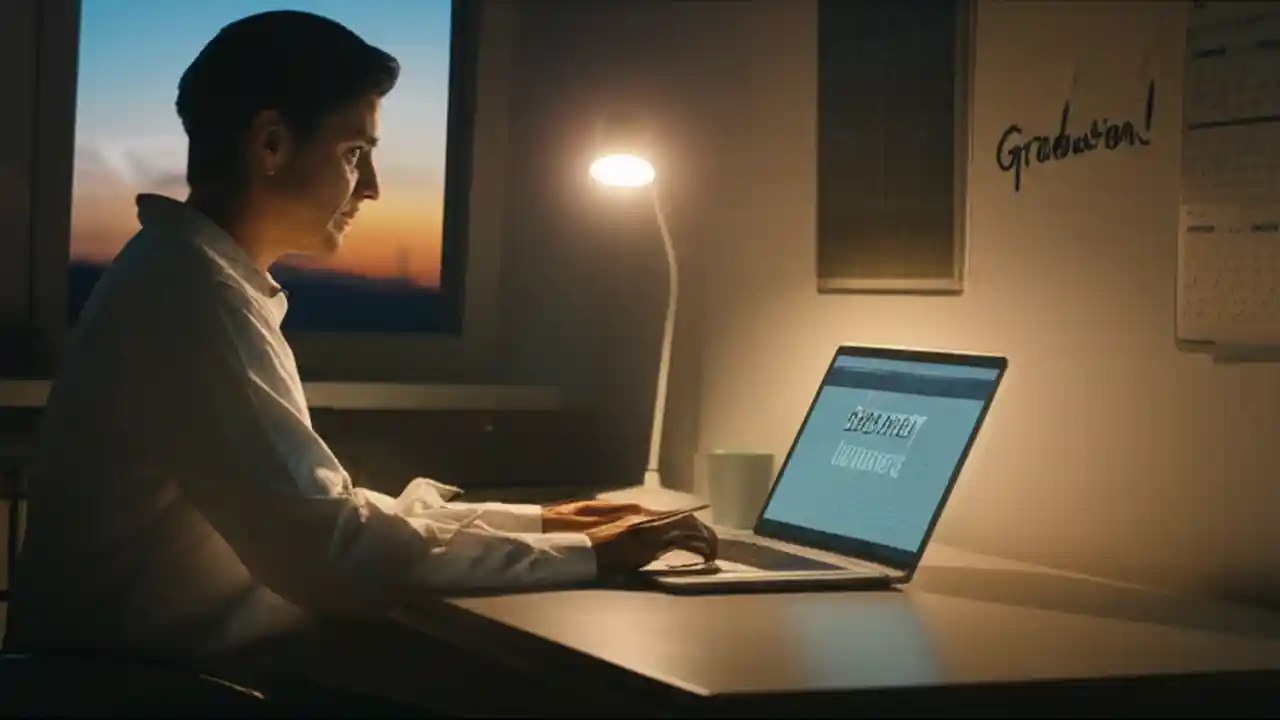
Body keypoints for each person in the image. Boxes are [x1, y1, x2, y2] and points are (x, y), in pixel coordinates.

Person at [4, 10, 716, 701]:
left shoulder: (186, 278)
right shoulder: (188, 300)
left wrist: (545, 523)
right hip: (149, 694)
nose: (370, 187)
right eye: (354, 154)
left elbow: (317, 511)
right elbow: (329, 551)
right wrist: (590, 555)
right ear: (272, 144)